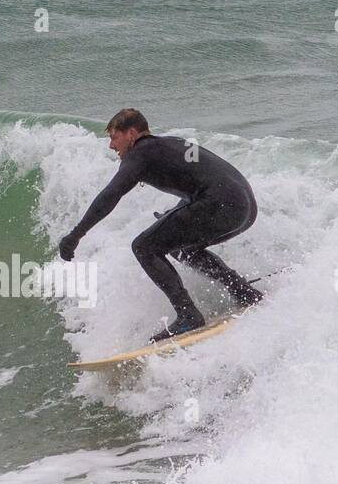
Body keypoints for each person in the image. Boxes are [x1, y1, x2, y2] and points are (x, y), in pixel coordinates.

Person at [58, 108, 263, 341]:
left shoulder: (140, 154)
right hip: (244, 207)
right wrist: (175, 213)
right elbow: (207, 175)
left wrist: (76, 235)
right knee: (180, 246)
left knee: (144, 247)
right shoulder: (171, 144)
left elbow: (110, 195)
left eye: (114, 137)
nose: (111, 146)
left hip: (221, 204)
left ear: (132, 134)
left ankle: (188, 315)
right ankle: (243, 292)